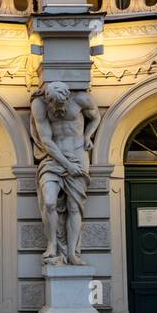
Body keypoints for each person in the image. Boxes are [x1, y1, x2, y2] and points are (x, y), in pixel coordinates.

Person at [29, 81, 100, 266]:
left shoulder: (82, 100)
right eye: (52, 104)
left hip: (78, 156)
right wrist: (67, 165)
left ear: (67, 97)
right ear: (47, 99)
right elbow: (46, 140)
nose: (55, 108)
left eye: (59, 105)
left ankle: (72, 254)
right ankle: (52, 245)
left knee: (74, 207)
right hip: (53, 159)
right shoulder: (39, 105)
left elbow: (96, 117)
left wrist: (87, 136)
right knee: (50, 202)